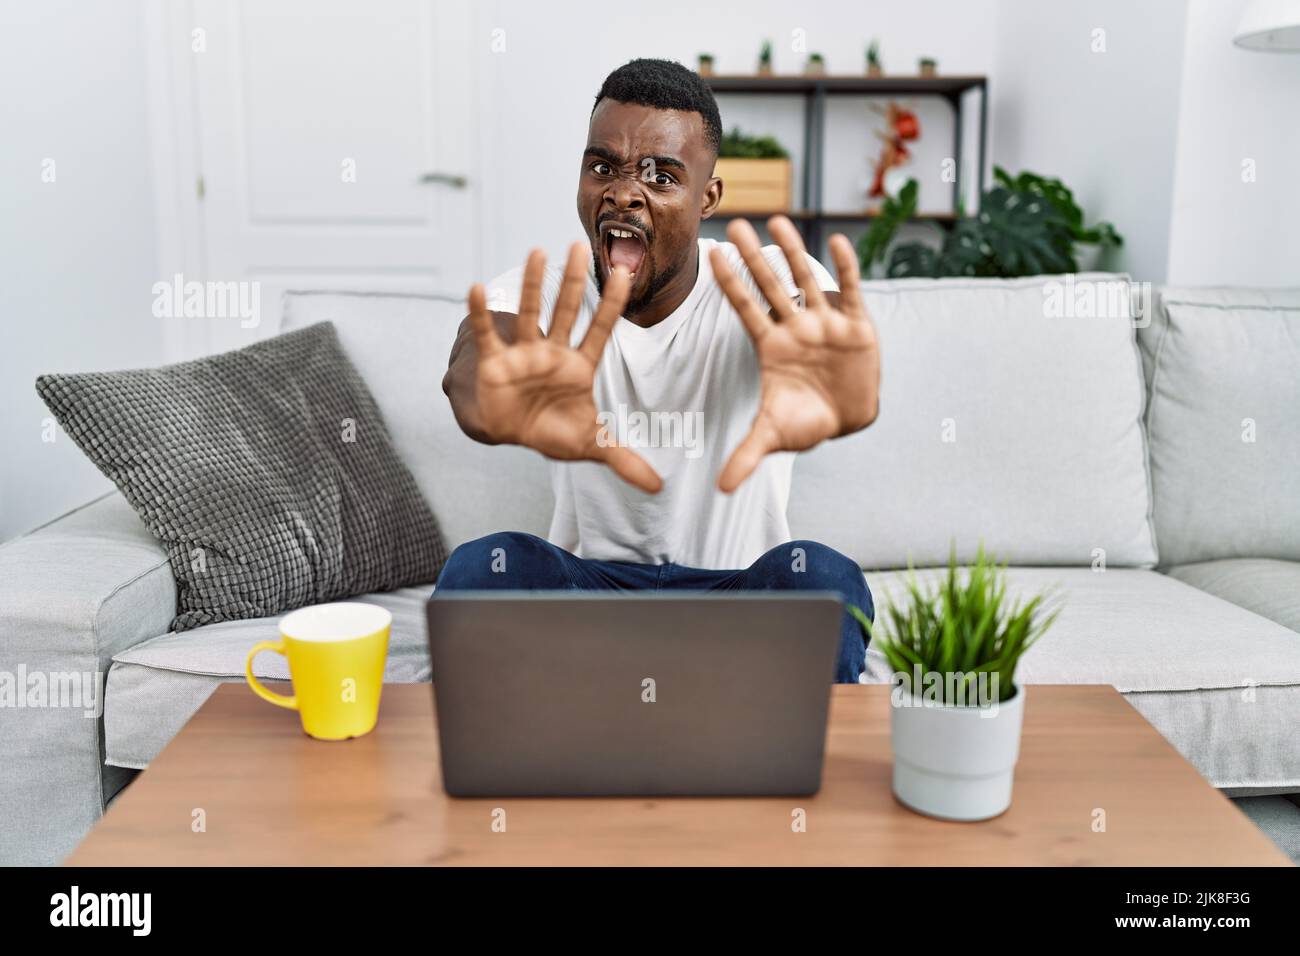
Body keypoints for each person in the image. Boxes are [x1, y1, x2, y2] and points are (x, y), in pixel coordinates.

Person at [436, 58, 882, 682]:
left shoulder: (769, 279)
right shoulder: (546, 292)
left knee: (828, 581)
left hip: (735, 597)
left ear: (709, 198)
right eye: (602, 168)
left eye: (661, 176)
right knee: (481, 570)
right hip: (590, 596)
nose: (623, 192)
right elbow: (476, 373)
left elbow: (834, 353)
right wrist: (502, 395)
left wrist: (837, 378)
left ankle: (742, 732)